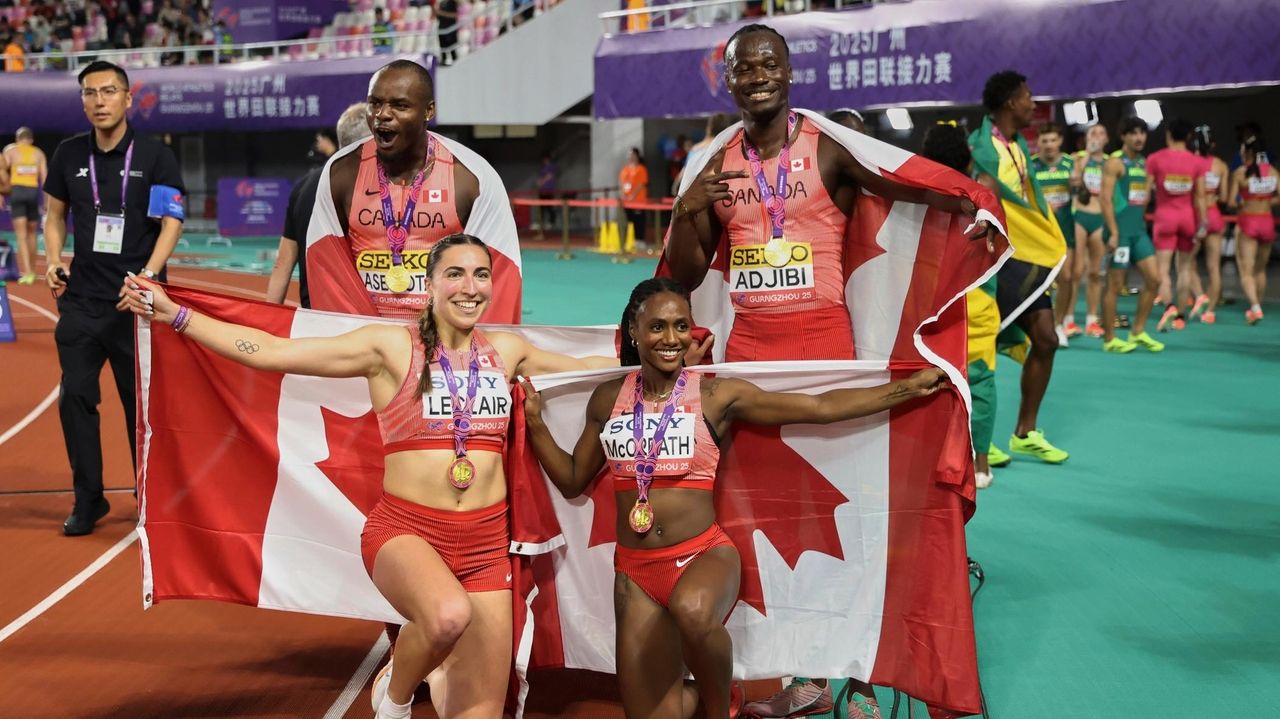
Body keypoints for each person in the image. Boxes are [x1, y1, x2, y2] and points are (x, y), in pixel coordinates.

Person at [123, 234, 617, 719]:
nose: (471, 287)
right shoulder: (389, 347)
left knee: (483, 711)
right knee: (447, 616)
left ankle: (440, 677)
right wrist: (176, 315)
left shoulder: (508, 351)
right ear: (429, 285)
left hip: (488, 544)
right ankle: (395, 697)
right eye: (455, 274)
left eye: (481, 274)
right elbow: (271, 352)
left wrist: (680, 352)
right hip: (407, 532)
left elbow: (592, 367)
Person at [666, 24, 999, 717]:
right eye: (743, 68)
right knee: (761, 518)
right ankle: (799, 673)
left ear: (788, 75)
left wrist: (971, 201)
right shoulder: (715, 164)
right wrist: (691, 210)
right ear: (728, 81)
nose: (757, 75)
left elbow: (903, 185)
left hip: (824, 353)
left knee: (850, 514)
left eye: (769, 64)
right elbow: (690, 271)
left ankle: (863, 674)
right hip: (750, 357)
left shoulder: (829, 149)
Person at [519, 278, 948, 719]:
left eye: (681, 326)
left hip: (703, 556)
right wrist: (536, 425)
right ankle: (700, 699)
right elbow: (573, 478)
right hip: (634, 574)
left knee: (693, 609)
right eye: (658, 327)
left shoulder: (716, 395)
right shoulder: (608, 399)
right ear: (634, 330)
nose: (671, 339)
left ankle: (718, 704)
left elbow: (818, 407)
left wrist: (907, 389)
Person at [43, 60, 185, 536]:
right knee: (75, 399)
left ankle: (149, 497)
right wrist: (53, 257)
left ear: (128, 98)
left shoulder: (155, 155)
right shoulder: (67, 154)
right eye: (89, 93)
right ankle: (89, 500)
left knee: (140, 408)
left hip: (136, 303)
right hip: (81, 301)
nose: (98, 101)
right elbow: (54, 216)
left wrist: (147, 277)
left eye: (108, 91)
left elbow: (171, 223)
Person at [323, 59, 517, 322]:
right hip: (368, 345)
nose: (383, 114)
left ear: (429, 111)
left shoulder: (471, 177)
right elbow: (327, 268)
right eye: (375, 103)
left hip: (444, 344)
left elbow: (499, 273)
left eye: (400, 105)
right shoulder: (341, 174)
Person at [968, 70, 1068, 464]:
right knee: (978, 348)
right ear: (1010, 101)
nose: (1033, 104)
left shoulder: (1017, 146)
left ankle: (1024, 432)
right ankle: (977, 439)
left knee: (1046, 339)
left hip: (1024, 257)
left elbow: (1026, 202)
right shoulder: (982, 147)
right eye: (1028, 97)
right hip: (994, 261)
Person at [921, 121, 999, 488]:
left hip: (931, 304)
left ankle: (936, 458)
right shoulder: (981, 197)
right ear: (968, 160)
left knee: (935, 383)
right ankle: (980, 462)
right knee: (980, 382)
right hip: (978, 300)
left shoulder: (913, 195)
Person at [266, 104, 370, 307]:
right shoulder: (371, 186)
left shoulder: (303, 185)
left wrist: (270, 317)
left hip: (313, 315)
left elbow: (283, 263)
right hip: (357, 319)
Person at [1099, 117, 1163, 352]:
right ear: (1123, 136)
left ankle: (1137, 331)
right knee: (1115, 285)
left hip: (1137, 232)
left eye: (1142, 133)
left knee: (1155, 280)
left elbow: (1144, 198)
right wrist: (1114, 233)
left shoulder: (1145, 163)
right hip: (1120, 233)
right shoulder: (1115, 163)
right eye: (1133, 133)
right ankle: (1110, 339)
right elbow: (1105, 199)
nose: (1139, 138)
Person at [1145, 117, 1209, 331]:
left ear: (1168, 135)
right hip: (1189, 219)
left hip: (1165, 218)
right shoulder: (1197, 162)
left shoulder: (1155, 159)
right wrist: (1203, 223)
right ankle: (1181, 317)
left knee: (1162, 269)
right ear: (1189, 137)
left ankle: (1169, 306)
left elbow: (1145, 193)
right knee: (1184, 269)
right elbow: (1200, 196)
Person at [1031, 122, 1079, 345]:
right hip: (1039, 235)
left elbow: (1086, 198)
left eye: (1053, 140)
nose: (1049, 145)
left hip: (1065, 232)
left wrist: (1079, 186)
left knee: (1067, 277)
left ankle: (1058, 324)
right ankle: (1038, 327)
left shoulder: (1072, 164)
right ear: (1039, 142)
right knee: (1039, 283)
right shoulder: (1030, 166)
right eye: (1045, 140)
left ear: (1060, 141)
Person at [1227, 134, 1278, 325]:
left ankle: (1255, 307)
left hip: (1248, 221)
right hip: (1267, 221)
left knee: (1246, 271)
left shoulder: (1240, 173)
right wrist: (1264, 200)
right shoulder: (1272, 171)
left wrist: (1247, 201)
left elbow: (1231, 202)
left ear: (1246, 152)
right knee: (1260, 269)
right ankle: (1257, 306)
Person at [1071, 123, 1112, 337]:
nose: (1096, 136)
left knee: (1095, 273)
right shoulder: (1077, 158)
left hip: (1100, 218)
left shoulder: (1110, 163)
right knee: (1076, 271)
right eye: (1092, 133)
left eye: (1100, 133)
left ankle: (1091, 320)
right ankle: (1068, 319)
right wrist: (1087, 154)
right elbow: (1075, 181)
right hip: (1079, 215)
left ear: (1107, 139)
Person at [1191, 125, 1229, 324]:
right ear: (1212, 144)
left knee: (1187, 262)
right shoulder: (1220, 165)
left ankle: (1199, 296)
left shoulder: (1191, 163)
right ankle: (1210, 311)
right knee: (1214, 267)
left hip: (1197, 216)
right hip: (1215, 214)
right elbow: (1223, 196)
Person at [3, 127, 46, 284]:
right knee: (32, 233)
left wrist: (1, 193)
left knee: (21, 235)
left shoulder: (11, 151)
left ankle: (27, 272)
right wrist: (47, 202)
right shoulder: (38, 153)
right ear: (31, 140)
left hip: (17, 192)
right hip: (33, 193)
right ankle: (33, 271)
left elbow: (2, 171)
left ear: (17, 139)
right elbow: (45, 178)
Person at [619, 147, 649, 248]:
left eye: (632, 154)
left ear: (637, 156)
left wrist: (633, 196)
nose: (630, 157)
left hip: (638, 200)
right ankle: (628, 240)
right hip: (627, 201)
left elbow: (641, 184)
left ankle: (639, 240)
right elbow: (622, 184)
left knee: (639, 220)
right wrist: (623, 194)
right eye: (629, 155)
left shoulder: (641, 169)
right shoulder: (625, 170)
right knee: (628, 220)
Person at [535, 154, 557, 231]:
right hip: (542, 191)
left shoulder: (551, 167)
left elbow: (549, 176)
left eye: (545, 159)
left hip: (549, 191)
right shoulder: (542, 167)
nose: (544, 161)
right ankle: (541, 224)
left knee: (549, 207)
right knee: (541, 208)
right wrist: (539, 182)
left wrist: (542, 181)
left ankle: (551, 222)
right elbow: (539, 177)